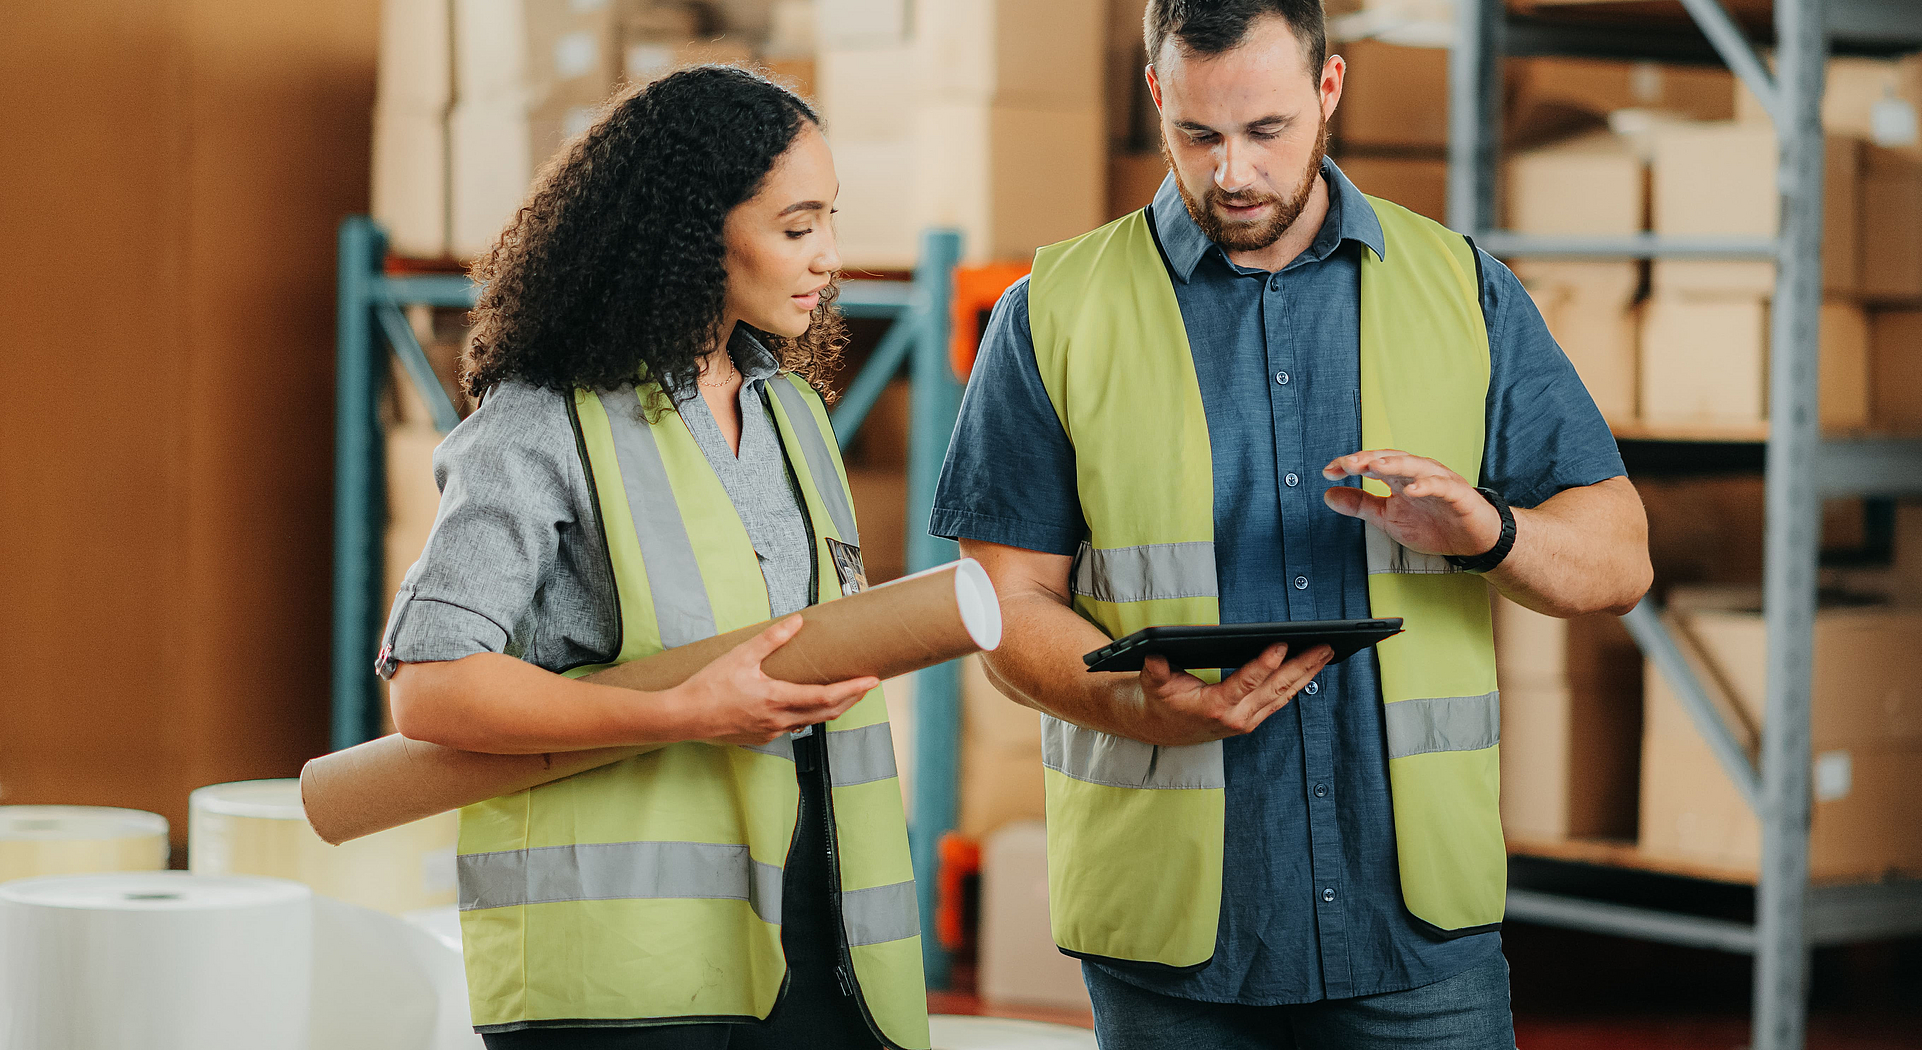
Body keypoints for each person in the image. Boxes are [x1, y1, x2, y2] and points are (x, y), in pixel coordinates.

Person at [929, 2, 1653, 1047]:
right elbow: (1002, 607)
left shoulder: (1459, 288)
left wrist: (1488, 529)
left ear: (1327, 92)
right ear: (1156, 100)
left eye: (1265, 131)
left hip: (1413, 936)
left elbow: (1616, 558)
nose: (1231, 172)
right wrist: (1142, 707)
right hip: (1174, 937)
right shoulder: (1054, 308)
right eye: (1198, 134)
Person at [379, 66, 928, 1050]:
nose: (829, 259)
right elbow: (429, 687)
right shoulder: (541, 424)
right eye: (797, 228)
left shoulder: (791, 412)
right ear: (692, 231)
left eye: (829, 221)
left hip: (817, 950)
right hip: (620, 969)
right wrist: (678, 714)